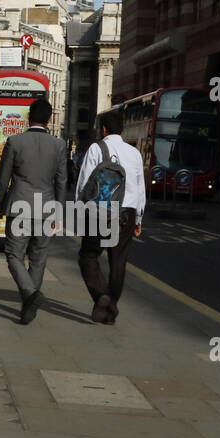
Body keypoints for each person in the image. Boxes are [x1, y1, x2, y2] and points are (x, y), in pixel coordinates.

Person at [0, 97, 67, 324]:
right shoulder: (59, 145)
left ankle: (29, 294)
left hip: (19, 205)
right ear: (50, 118)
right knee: (38, 257)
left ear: (28, 116)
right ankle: (29, 301)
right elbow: (62, 181)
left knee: (14, 254)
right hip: (46, 207)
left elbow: (2, 176)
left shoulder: (15, 141)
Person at [76, 111, 145, 323]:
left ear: (103, 129)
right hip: (128, 213)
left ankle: (101, 295)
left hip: (101, 211)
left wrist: (79, 208)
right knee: (118, 261)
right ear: (122, 130)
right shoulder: (135, 153)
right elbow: (140, 187)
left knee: (88, 255)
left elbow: (84, 182)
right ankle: (110, 308)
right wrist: (139, 218)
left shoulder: (97, 148)